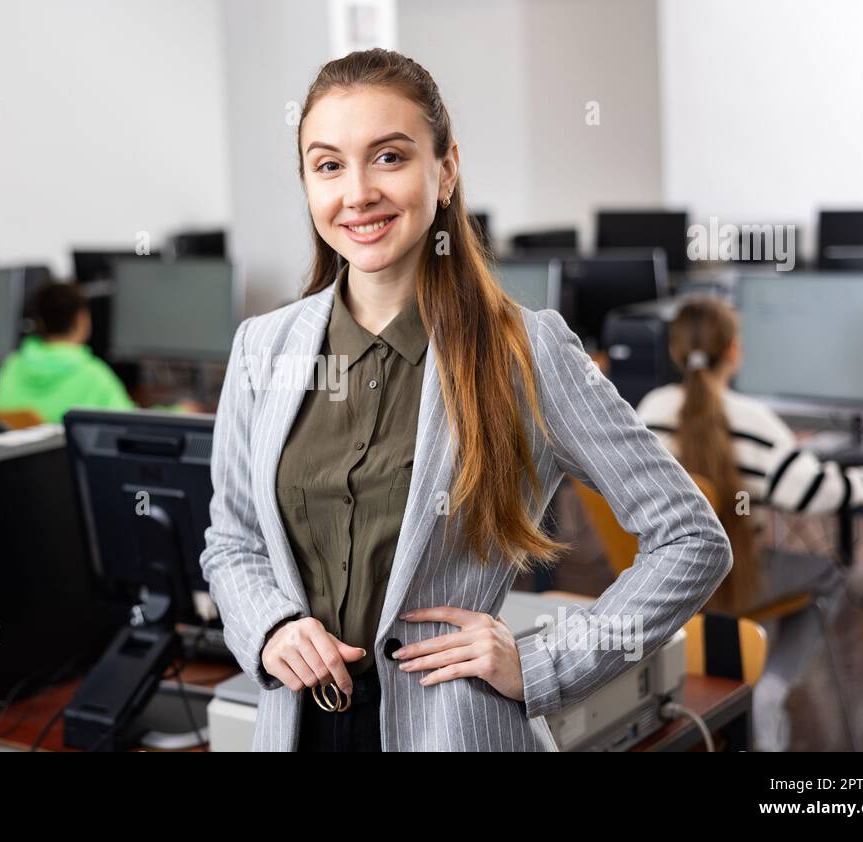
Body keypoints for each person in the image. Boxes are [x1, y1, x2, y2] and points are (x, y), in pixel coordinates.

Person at [198, 48, 732, 752]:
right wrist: (268, 628)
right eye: (329, 165)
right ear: (307, 183)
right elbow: (232, 541)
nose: (356, 193)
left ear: (445, 170)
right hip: (294, 730)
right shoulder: (262, 350)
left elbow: (691, 540)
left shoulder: (527, 352)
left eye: (389, 157)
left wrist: (546, 664)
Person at [635, 296, 863, 750]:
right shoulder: (752, 420)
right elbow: (817, 493)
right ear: (733, 350)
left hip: (661, 586)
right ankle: (770, 685)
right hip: (732, 580)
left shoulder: (648, 410)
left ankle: (729, 662)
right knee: (830, 571)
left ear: (674, 351)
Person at [0, 281, 136, 422]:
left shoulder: (11, 365)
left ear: (40, 321)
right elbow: (131, 425)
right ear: (82, 319)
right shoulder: (94, 375)